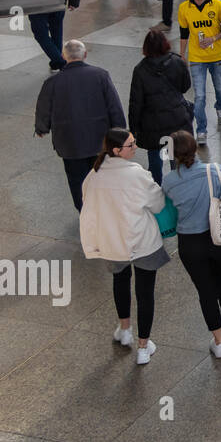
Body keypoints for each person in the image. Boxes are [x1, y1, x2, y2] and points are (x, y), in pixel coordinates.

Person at [79, 128, 169, 366]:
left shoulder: (94, 175)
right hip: (143, 241)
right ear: (117, 150)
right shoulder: (137, 174)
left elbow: (86, 201)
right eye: (131, 145)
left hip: (112, 242)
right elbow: (158, 204)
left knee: (120, 281)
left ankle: (124, 329)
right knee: (145, 293)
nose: (136, 147)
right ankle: (143, 347)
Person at [162, 130, 221, 357]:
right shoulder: (216, 171)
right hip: (219, 238)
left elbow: (169, 212)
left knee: (205, 290)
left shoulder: (169, 181)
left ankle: (218, 341)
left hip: (190, 243)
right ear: (195, 148)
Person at [35, 39, 126, 212]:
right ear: (85, 55)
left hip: (69, 143)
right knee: (101, 175)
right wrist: (120, 131)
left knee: (76, 179)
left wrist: (41, 128)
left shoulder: (53, 82)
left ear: (63, 56)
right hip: (99, 140)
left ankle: (84, 210)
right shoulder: (101, 75)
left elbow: (44, 108)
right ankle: (103, 208)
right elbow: (114, 106)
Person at [128, 27, 192, 185]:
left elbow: (136, 102)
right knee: (176, 157)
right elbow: (185, 87)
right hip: (176, 118)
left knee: (154, 158)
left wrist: (133, 128)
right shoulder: (177, 61)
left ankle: (157, 188)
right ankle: (178, 187)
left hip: (152, 122)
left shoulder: (140, 70)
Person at [176, 0, 221, 147]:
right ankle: (201, 130)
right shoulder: (184, 8)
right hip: (197, 57)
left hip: (217, 55)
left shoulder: (218, 6)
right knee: (199, 95)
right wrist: (182, 55)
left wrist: (214, 38)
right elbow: (183, 33)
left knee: (219, 87)